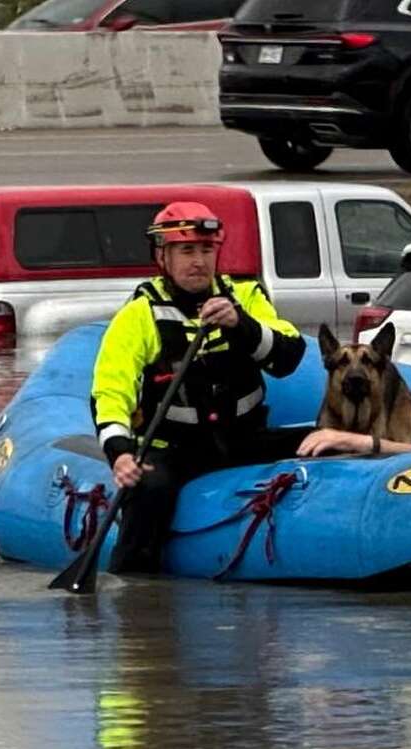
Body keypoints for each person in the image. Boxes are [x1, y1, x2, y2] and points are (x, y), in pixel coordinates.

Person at [92, 202, 307, 573]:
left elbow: (287, 358)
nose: (199, 261)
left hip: (242, 439)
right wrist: (121, 453)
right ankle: (136, 605)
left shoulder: (247, 298)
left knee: (322, 442)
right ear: (163, 257)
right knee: (149, 490)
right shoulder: (140, 314)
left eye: (206, 250)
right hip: (174, 448)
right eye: (186, 251)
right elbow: (111, 391)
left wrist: (241, 324)